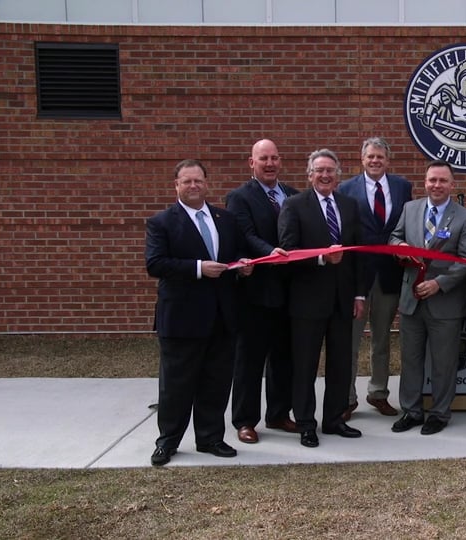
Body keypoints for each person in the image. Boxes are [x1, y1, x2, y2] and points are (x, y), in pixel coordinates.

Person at [145, 159, 253, 466]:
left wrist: (243, 266)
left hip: (222, 317)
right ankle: (167, 442)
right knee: (176, 385)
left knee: (216, 382)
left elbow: (235, 254)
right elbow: (155, 264)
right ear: (176, 185)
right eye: (187, 181)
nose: (194, 186)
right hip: (181, 319)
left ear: (207, 183)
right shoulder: (162, 222)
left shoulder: (225, 219)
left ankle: (210, 438)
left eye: (198, 180)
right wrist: (198, 268)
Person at [278, 149, 367, 448]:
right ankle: (306, 423)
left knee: (340, 364)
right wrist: (321, 260)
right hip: (307, 302)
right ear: (309, 175)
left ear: (338, 175)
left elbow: (356, 255)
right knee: (305, 365)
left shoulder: (350, 206)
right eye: (319, 170)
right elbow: (288, 253)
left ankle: (334, 419)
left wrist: (358, 295)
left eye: (330, 170)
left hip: (343, 301)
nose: (325, 175)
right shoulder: (294, 205)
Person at [388, 160, 466, 435]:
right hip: (411, 299)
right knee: (411, 360)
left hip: (444, 301)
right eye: (432, 180)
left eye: (442, 181)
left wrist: (439, 284)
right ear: (425, 182)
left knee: (444, 362)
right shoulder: (410, 208)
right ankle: (411, 411)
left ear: (452, 184)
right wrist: (399, 246)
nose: (436, 185)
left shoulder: (465, 217)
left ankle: (439, 413)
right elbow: (393, 237)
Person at [224, 139, 298, 445]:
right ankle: (245, 420)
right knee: (250, 360)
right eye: (263, 158)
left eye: (274, 158)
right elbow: (246, 235)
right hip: (256, 291)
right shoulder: (239, 198)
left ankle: (279, 413)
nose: (270, 164)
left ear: (280, 161)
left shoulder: (294, 195)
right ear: (251, 163)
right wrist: (272, 252)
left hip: (291, 291)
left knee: (284, 357)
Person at [337, 137, 413, 420]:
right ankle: (346, 397)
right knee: (351, 340)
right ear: (362, 159)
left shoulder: (403, 187)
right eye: (370, 156)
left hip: (390, 275)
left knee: (382, 339)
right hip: (357, 276)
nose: (375, 161)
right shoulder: (346, 189)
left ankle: (378, 392)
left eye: (380, 157)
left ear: (387, 160)